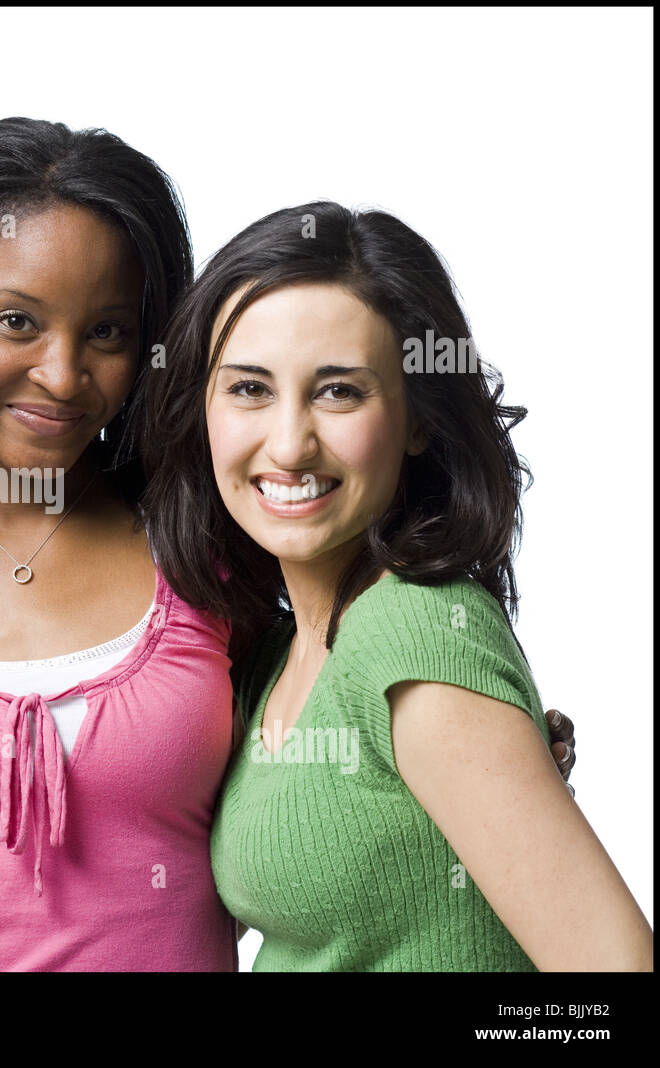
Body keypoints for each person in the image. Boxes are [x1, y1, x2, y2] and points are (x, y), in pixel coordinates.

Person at [0, 122, 577, 971]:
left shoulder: (212, 546)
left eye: (109, 332)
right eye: (16, 321)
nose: (65, 374)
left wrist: (501, 762)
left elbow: (342, 713)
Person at [140, 200, 650, 970]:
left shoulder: (412, 629)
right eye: (249, 389)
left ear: (418, 420)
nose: (288, 443)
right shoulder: (278, 652)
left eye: (339, 391)